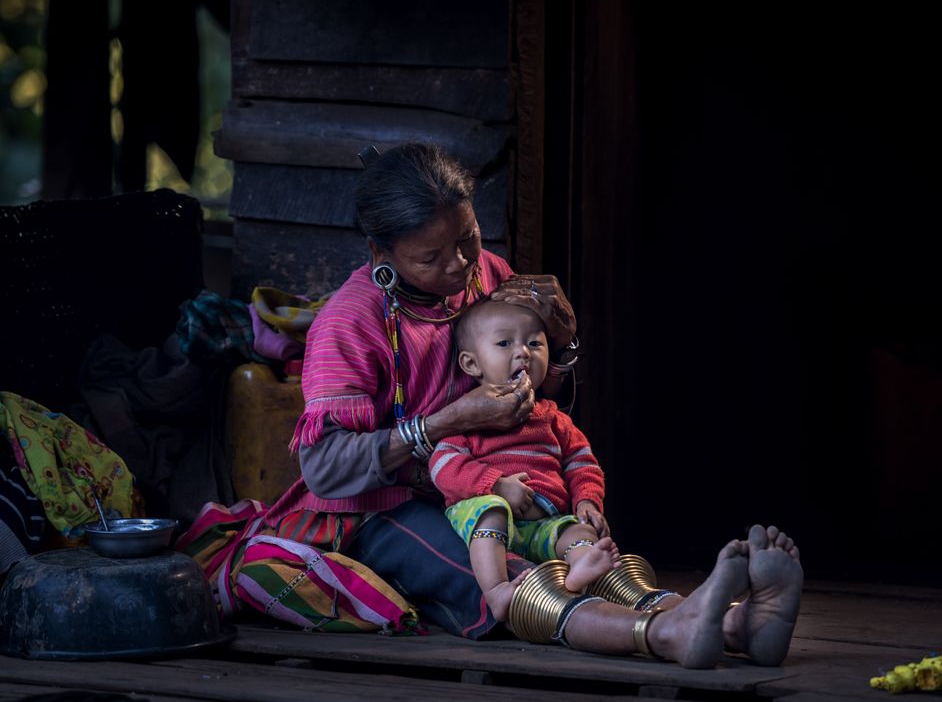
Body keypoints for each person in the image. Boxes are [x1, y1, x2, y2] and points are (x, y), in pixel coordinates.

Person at [239, 142, 803, 667]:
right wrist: (446, 423)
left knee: (588, 553)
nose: (459, 266)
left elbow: (538, 402)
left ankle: (730, 625)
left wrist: (561, 344)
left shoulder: (492, 278)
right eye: (430, 257)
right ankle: (663, 635)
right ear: (379, 252)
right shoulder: (349, 323)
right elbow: (325, 468)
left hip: (489, 483)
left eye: (468, 239)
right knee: (511, 579)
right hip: (381, 507)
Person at [429, 296, 621, 623]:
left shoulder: (553, 418)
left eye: (535, 342)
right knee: (489, 513)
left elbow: (581, 463)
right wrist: (496, 486)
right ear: (471, 364)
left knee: (579, 533)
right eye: (505, 343)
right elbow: (443, 466)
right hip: (487, 517)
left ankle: (578, 574)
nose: (523, 352)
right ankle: (498, 592)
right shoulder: (469, 415)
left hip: (544, 523)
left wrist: (587, 502)